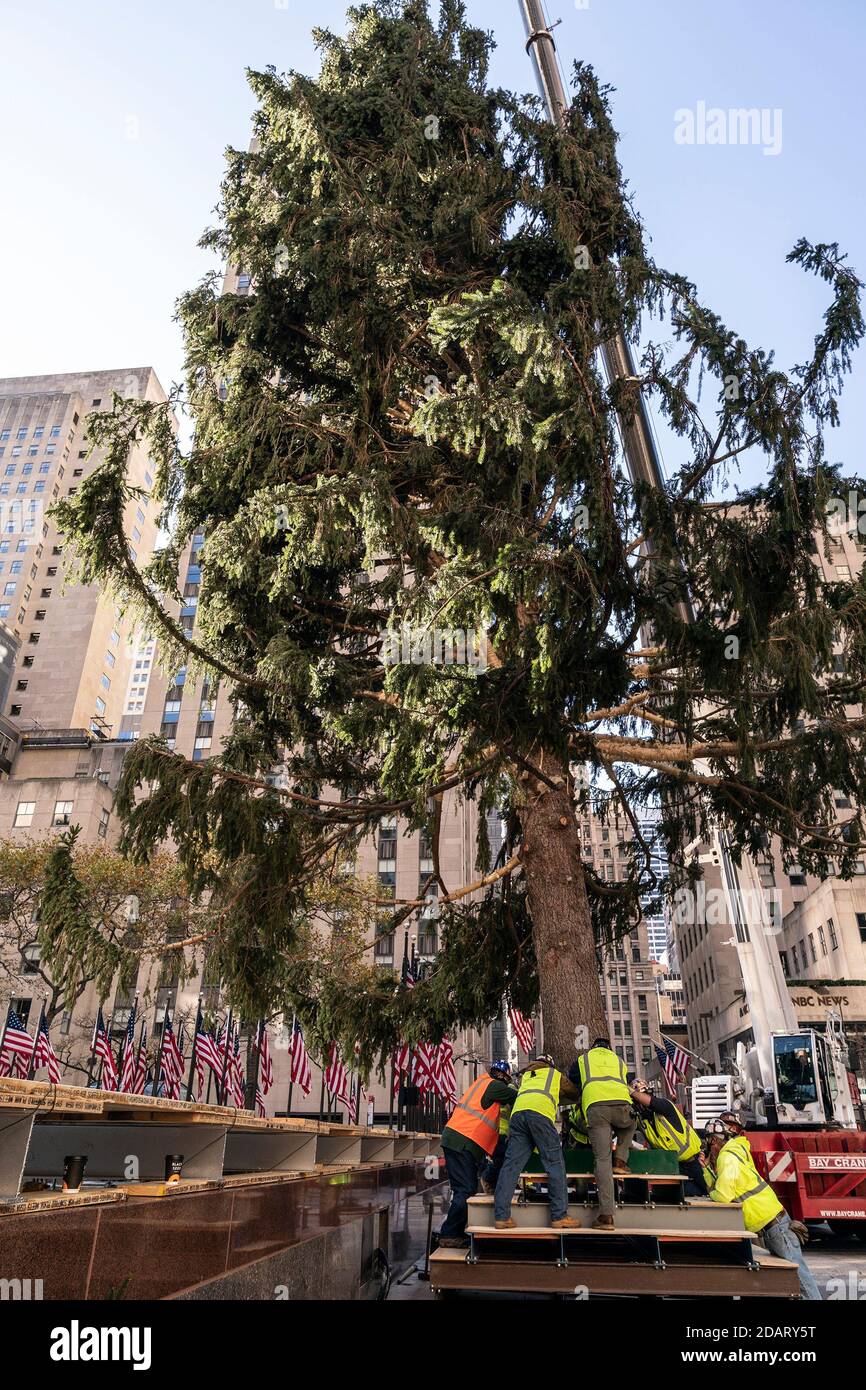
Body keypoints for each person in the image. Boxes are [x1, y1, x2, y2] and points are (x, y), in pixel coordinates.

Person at [704, 1113, 822, 1300]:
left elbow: (723, 1195)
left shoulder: (726, 1157)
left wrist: (711, 1192)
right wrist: (707, 1169)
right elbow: (726, 1185)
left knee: (799, 1277)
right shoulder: (735, 1151)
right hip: (772, 1224)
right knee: (790, 1278)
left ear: (713, 1142)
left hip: (775, 1226)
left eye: (709, 1145)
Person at [494, 1054, 582, 1230]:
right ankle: (559, 1216)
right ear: (549, 1064)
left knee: (511, 1166)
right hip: (540, 1115)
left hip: (518, 1116)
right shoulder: (553, 1074)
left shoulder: (526, 1076)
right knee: (554, 1163)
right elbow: (574, 1094)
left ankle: (502, 1217)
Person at [438, 1060, 516, 1247]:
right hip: (462, 1141)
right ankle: (449, 1234)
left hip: (457, 1140)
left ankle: (453, 1231)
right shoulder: (495, 1086)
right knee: (465, 1190)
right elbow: (517, 1096)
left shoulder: (481, 1082)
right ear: (504, 1077)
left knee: (464, 1189)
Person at [574, 1038, 635, 1228]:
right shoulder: (619, 1060)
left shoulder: (583, 1059)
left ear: (593, 1048)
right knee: (632, 1122)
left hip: (596, 1108)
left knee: (602, 1160)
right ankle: (621, 1160)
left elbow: (574, 1081)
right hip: (621, 1105)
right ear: (609, 1048)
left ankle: (606, 1215)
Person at [630, 1079, 707, 1195]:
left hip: (693, 1162)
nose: (639, 1105)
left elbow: (652, 1103)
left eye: (640, 1098)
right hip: (672, 1167)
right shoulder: (640, 1121)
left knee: (708, 1191)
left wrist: (631, 1092)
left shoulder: (665, 1107)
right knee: (676, 1193)